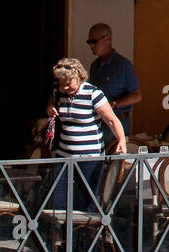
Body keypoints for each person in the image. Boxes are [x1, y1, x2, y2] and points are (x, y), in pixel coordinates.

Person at [47, 57, 125, 210]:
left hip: (89, 157)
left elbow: (111, 120)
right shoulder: (59, 92)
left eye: (69, 83)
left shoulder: (93, 94)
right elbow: (51, 102)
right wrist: (50, 108)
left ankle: (86, 233)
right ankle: (63, 233)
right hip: (64, 156)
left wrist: (121, 140)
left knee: (87, 200)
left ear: (79, 77)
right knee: (58, 201)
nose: (65, 87)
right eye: (62, 83)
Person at [86, 23, 141, 137]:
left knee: (115, 153)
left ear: (107, 40)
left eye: (94, 41)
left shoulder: (123, 65)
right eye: (89, 42)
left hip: (118, 122)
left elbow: (136, 95)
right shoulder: (94, 66)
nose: (91, 45)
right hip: (98, 122)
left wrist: (114, 104)